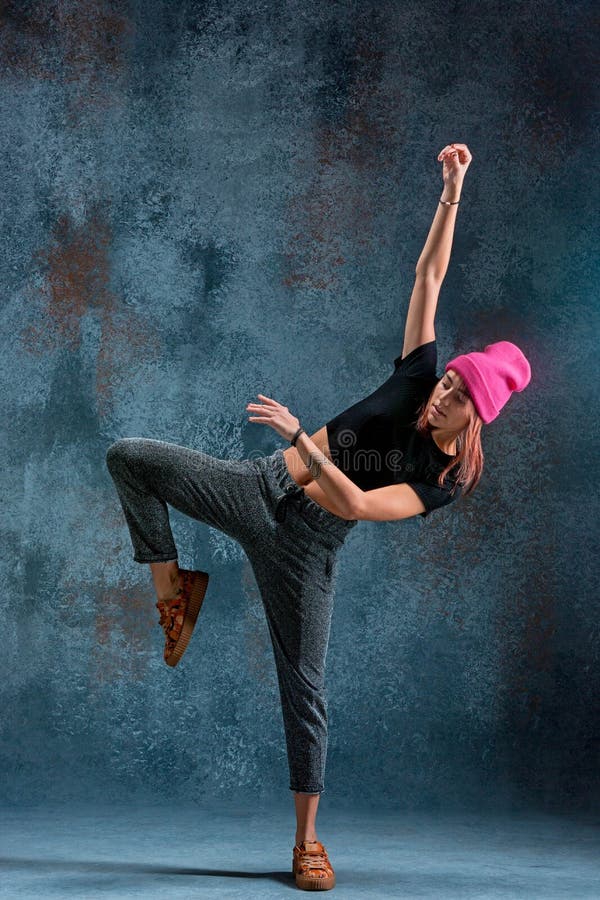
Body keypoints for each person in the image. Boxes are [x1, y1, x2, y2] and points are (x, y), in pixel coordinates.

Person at [105, 142, 531, 891]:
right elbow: (429, 276)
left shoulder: (442, 480)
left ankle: (306, 843)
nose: (443, 394)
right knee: (129, 458)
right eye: (450, 381)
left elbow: (361, 503)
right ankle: (175, 590)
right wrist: (452, 191)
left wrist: (304, 436)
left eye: (459, 395)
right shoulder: (415, 376)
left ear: (476, 418)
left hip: (307, 549)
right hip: (257, 485)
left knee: (304, 690)